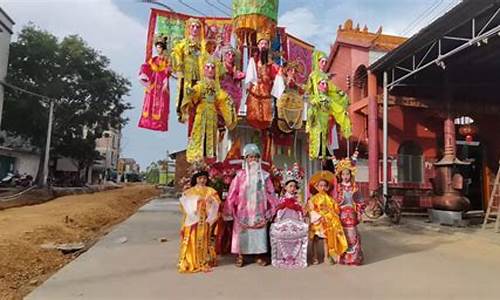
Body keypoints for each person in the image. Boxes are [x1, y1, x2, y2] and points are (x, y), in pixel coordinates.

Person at [224, 144, 278, 267]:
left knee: (259, 233)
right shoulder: (240, 175)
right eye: (250, 157)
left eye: (255, 157)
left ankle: (259, 255)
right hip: (243, 211)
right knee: (242, 233)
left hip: (259, 210)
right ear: (245, 159)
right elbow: (233, 192)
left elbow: (271, 192)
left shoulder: (264, 176)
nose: (253, 160)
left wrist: (272, 206)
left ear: (259, 159)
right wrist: (229, 207)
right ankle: (240, 256)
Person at [181, 55, 237, 163]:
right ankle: (197, 160)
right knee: (199, 136)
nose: (210, 70)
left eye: (212, 68)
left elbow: (222, 100)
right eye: (208, 67)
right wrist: (190, 93)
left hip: (213, 116)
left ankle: (209, 160)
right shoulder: (200, 85)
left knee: (211, 139)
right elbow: (193, 96)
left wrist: (228, 102)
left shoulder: (217, 89)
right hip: (201, 115)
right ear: (203, 69)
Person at [305, 50, 352, 160]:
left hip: (325, 104)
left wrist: (341, 94)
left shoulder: (325, 77)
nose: (324, 64)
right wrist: (312, 99)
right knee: (318, 129)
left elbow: (332, 89)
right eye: (322, 61)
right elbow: (309, 89)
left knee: (325, 130)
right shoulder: (313, 75)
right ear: (317, 62)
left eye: (326, 62)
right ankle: (316, 151)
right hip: (317, 103)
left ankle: (324, 151)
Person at [177, 169, 221, 273]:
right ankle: (191, 260)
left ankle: (203, 259)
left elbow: (217, 203)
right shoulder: (189, 191)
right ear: (195, 179)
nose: (202, 180)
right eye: (200, 178)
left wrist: (212, 202)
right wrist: (195, 204)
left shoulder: (211, 191)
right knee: (192, 239)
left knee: (204, 239)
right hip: (193, 221)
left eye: (204, 178)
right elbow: (184, 206)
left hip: (204, 220)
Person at [270, 164, 308, 269]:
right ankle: (282, 256)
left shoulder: (297, 199)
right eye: (290, 186)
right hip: (284, 220)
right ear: (285, 187)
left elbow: (301, 211)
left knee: (296, 237)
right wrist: (278, 219)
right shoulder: (282, 199)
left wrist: (301, 212)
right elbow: (279, 210)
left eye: (294, 186)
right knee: (283, 238)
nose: (292, 188)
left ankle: (296, 256)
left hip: (295, 219)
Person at [307, 170, 347, 265]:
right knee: (315, 240)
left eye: (325, 186)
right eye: (320, 185)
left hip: (327, 221)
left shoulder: (331, 199)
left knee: (326, 239)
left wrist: (330, 215)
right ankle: (314, 256)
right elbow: (310, 209)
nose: (323, 188)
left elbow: (336, 210)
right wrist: (317, 217)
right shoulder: (313, 198)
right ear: (316, 187)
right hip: (317, 221)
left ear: (328, 187)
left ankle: (326, 256)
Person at [244, 31, 280, 129]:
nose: (263, 46)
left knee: (265, 122)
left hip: (266, 95)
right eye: (262, 43)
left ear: (268, 46)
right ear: (258, 45)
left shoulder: (272, 64)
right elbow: (250, 77)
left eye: (265, 44)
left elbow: (276, 77)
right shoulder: (253, 60)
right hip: (254, 94)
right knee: (252, 119)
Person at [333, 152, 364, 265]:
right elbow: (334, 201)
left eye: (347, 174)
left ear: (350, 175)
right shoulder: (338, 187)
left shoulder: (354, 187)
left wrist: (359, 212)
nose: (345, 176)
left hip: (352, 215)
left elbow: (360, 201)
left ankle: (354, 258)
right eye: (343, 174)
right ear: (340, 175)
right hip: (341, 214)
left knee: (353, 235)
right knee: (343, 235)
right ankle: (343, 257)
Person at [172, 18, 205, 124]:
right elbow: (176, 52)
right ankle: (182, 112)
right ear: (189, 29)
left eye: (197, 27)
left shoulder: (202, 45)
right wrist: (179, 64)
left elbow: (207, 57)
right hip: (186, 74)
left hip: (199, 74)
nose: (195, 29)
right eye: (193, 26)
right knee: (184, 91)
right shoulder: (183, 43)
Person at [138, 34, 171, 131]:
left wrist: (166, 74)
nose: (158, 49)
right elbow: (146, 67)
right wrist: (144, 74)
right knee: (149, 103)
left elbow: (168, 71)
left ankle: (159, 124)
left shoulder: (166, 60)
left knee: (161, 105)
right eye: (157, 47)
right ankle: (147, 122)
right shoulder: (153, 59)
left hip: (162, 84)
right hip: (153, 84)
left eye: (160, 47)